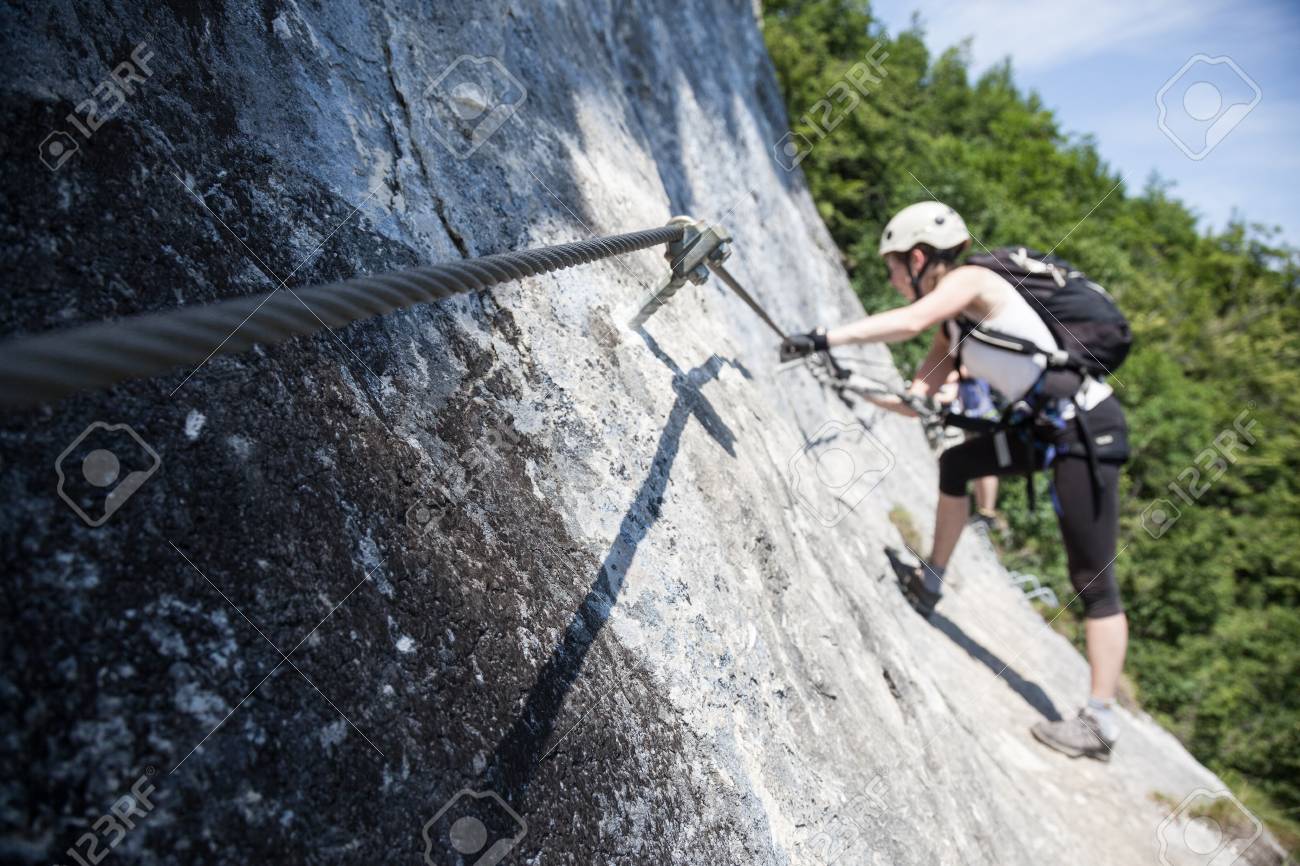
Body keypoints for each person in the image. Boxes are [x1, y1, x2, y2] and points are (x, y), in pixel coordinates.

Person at [780, 201, 1129, 762]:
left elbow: (909, 322)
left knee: (1092, 578)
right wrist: (845, 381)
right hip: (1044, 428)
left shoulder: (972, 282)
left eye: (894, 266)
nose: (892, 279)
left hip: (1089, 431)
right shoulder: (953, 328)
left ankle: (1100, 724)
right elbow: (918, 400)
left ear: (919, 258)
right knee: (958, 464)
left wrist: (824, 337)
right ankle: (932, 579)